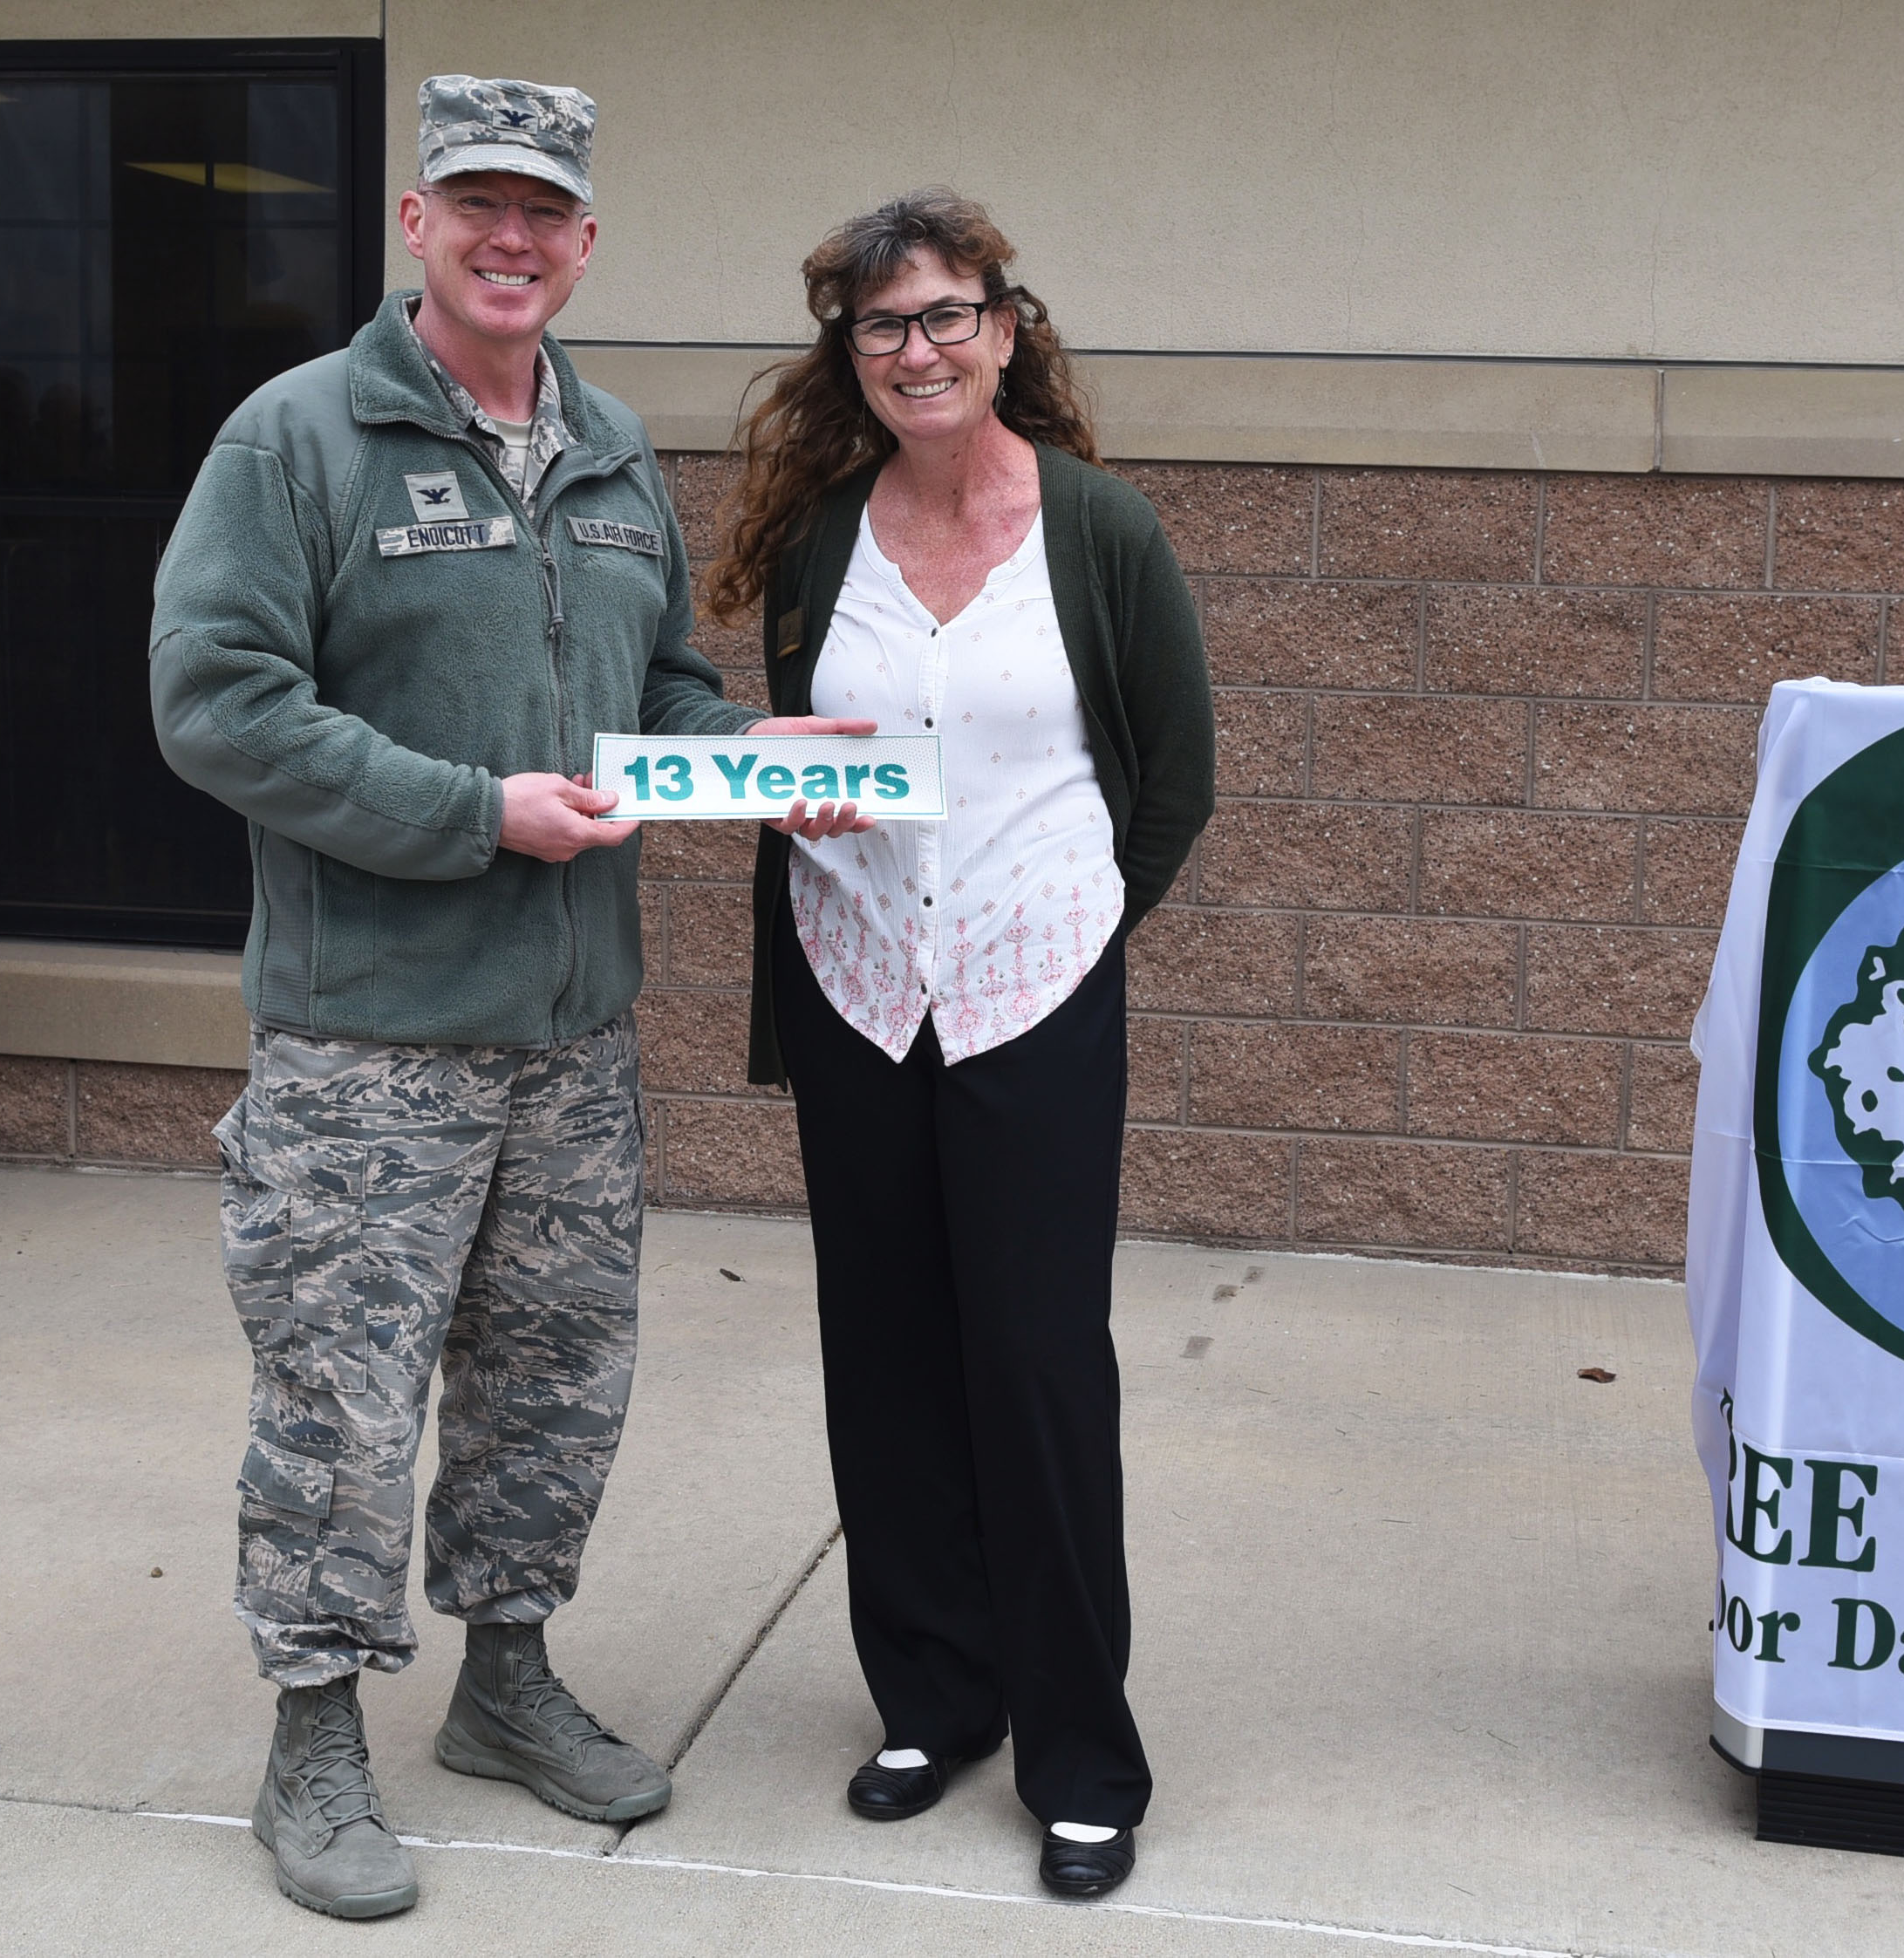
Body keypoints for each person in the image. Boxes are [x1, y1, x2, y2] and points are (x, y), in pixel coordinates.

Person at [149, 76, 866, 1920]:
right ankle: (314, 1736)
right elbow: (219, 700)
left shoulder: (615, 450)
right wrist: (472, 815)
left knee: (553, 1385)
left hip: (572, 1041)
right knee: (342, 1400)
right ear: (417, 223)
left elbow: (661, 701)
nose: (512, 238)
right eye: (478, 202)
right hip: (366, 1040)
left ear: (585, 242)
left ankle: (506, 1683)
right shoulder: (299, 438)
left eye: (544, 212)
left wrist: (758, 753)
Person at [704, 190, 1214, 1900]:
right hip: (857, 991)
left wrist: (1063, 926)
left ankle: (1082, 1751)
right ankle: (936, 1692)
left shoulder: (1101, 532)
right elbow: (781, 754)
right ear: (849, 358)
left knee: (1040, 1370)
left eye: (945, 317)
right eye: (880, 326)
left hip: (1034, 994)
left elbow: (1172, 786)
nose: (917, 350)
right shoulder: (817, 544)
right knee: (891, 1355)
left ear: (1005, 328)